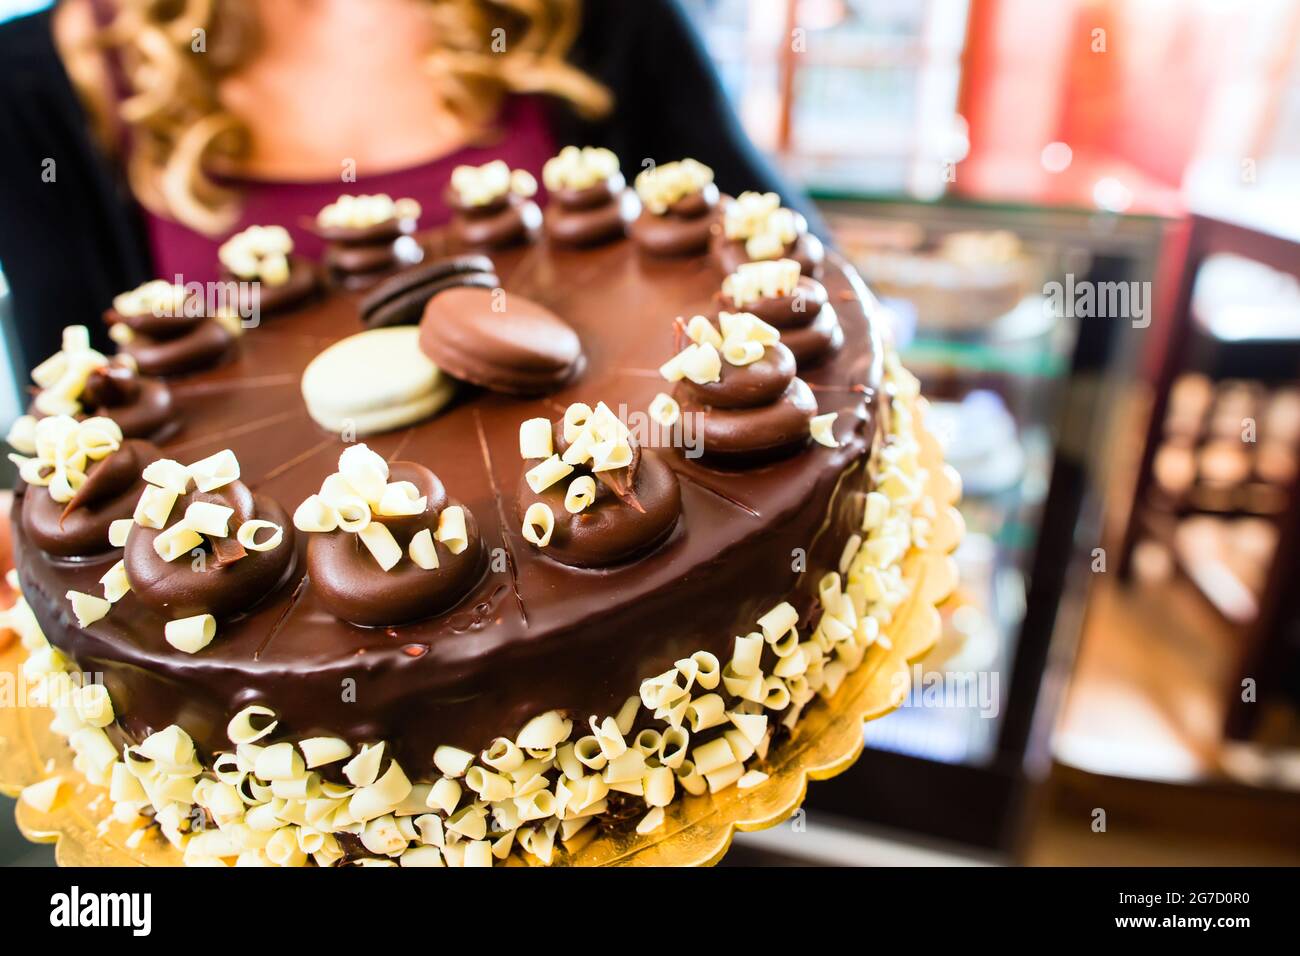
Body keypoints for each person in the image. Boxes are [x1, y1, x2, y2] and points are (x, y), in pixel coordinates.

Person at [0, 0, 821, 371]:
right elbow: (75, 421)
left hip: (614, 578)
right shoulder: (40, 84)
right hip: (239, 686)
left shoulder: (597, 18)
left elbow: (791, 275)